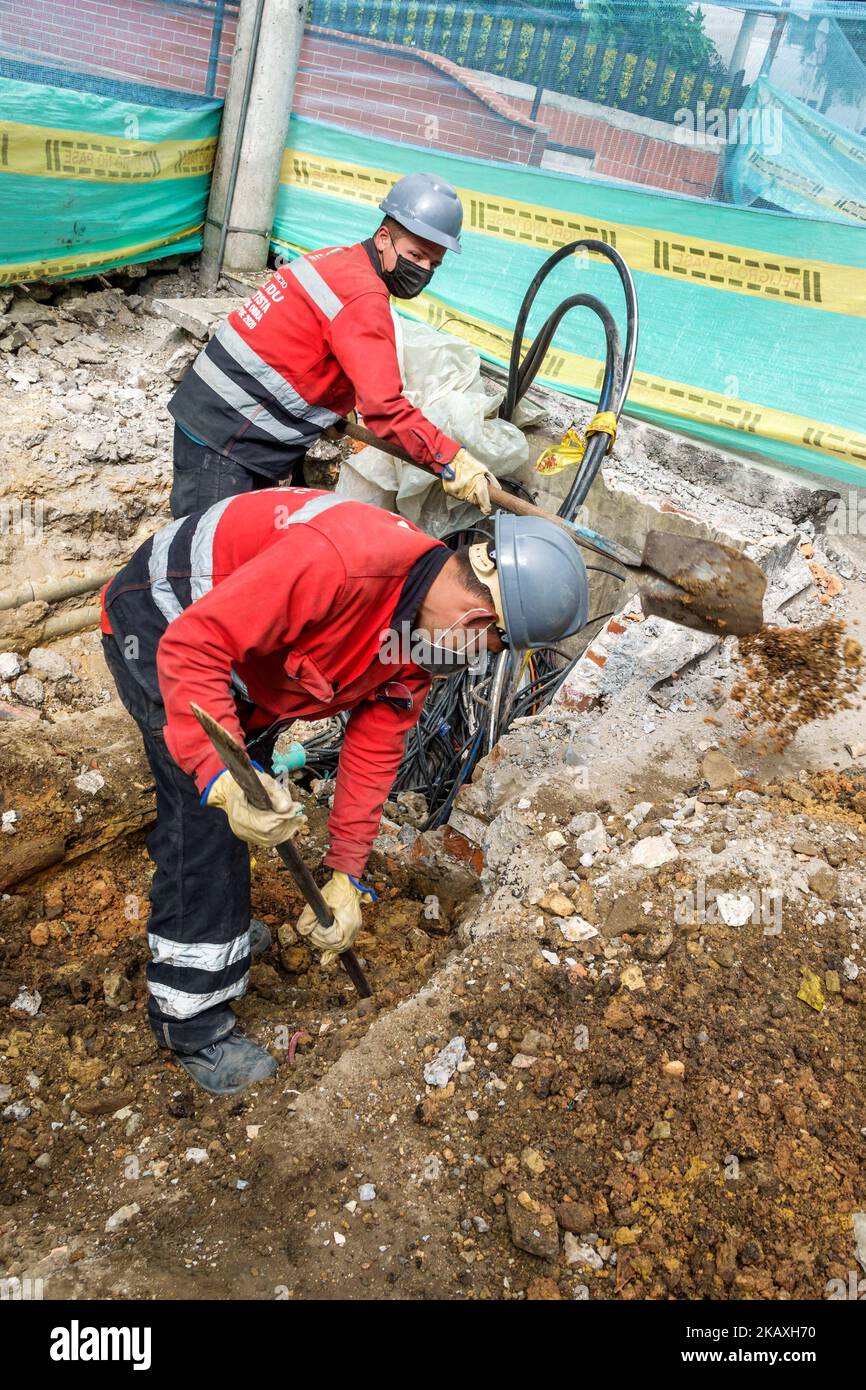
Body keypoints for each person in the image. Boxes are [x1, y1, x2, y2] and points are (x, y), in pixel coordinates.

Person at [100, 490, 588, 1094]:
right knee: (203, 817)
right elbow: (194, 647)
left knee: (242, 804)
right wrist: (220, 779)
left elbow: (375, 747)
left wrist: (346, 873)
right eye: (492, 649)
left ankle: (216, 925)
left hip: (244, 661)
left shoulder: (417, 636)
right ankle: (190, 1017)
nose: (480, 662)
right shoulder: (342, 562)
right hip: (164, 621)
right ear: (479, 621)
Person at [168, 172, 495, 520]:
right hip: (227, 437)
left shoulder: (337, 258)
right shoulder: (364, 299)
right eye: (416, 255)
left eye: (434, 264)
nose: (423, 270)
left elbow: (302, 343)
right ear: (384, 238)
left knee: (239, 551)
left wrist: (330, 407)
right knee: (208, 562)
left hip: (218, 416)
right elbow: (385, 408)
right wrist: (449, 460)